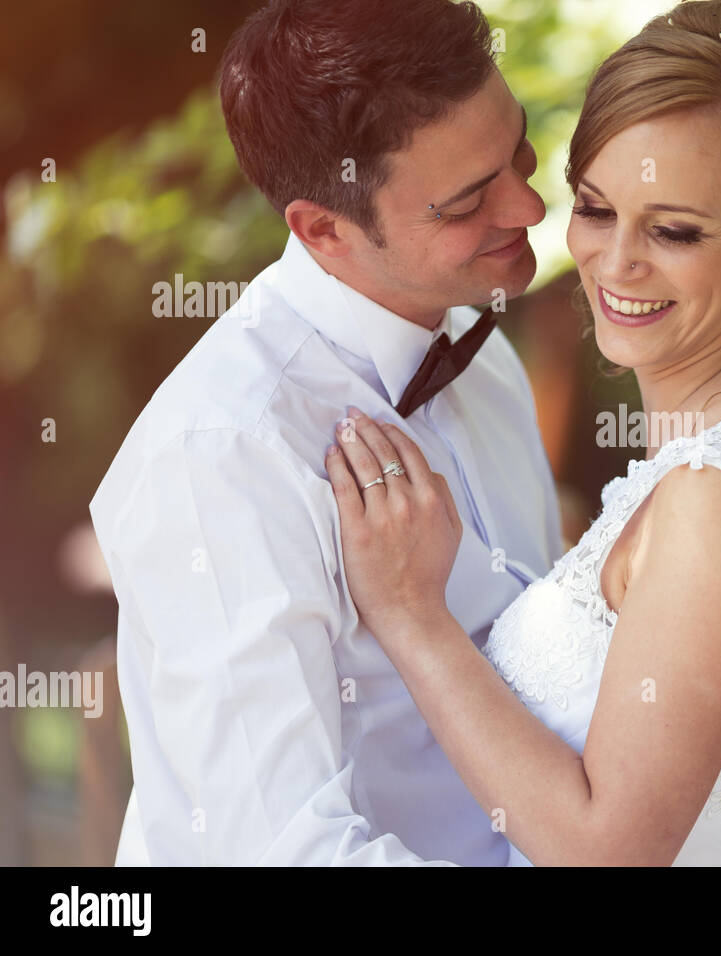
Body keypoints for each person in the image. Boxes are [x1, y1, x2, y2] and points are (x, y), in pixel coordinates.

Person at [325, 0, 721, 865]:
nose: (617, 261)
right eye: (596, 209)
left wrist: (413, 618)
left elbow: (610, 852)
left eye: (673, 230)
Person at [88, 0, 564, 864]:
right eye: (467, 202)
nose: (530, 207)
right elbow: (274, 851)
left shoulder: (485, 362)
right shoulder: (220, 453)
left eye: (520, 153)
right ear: (323, 229)